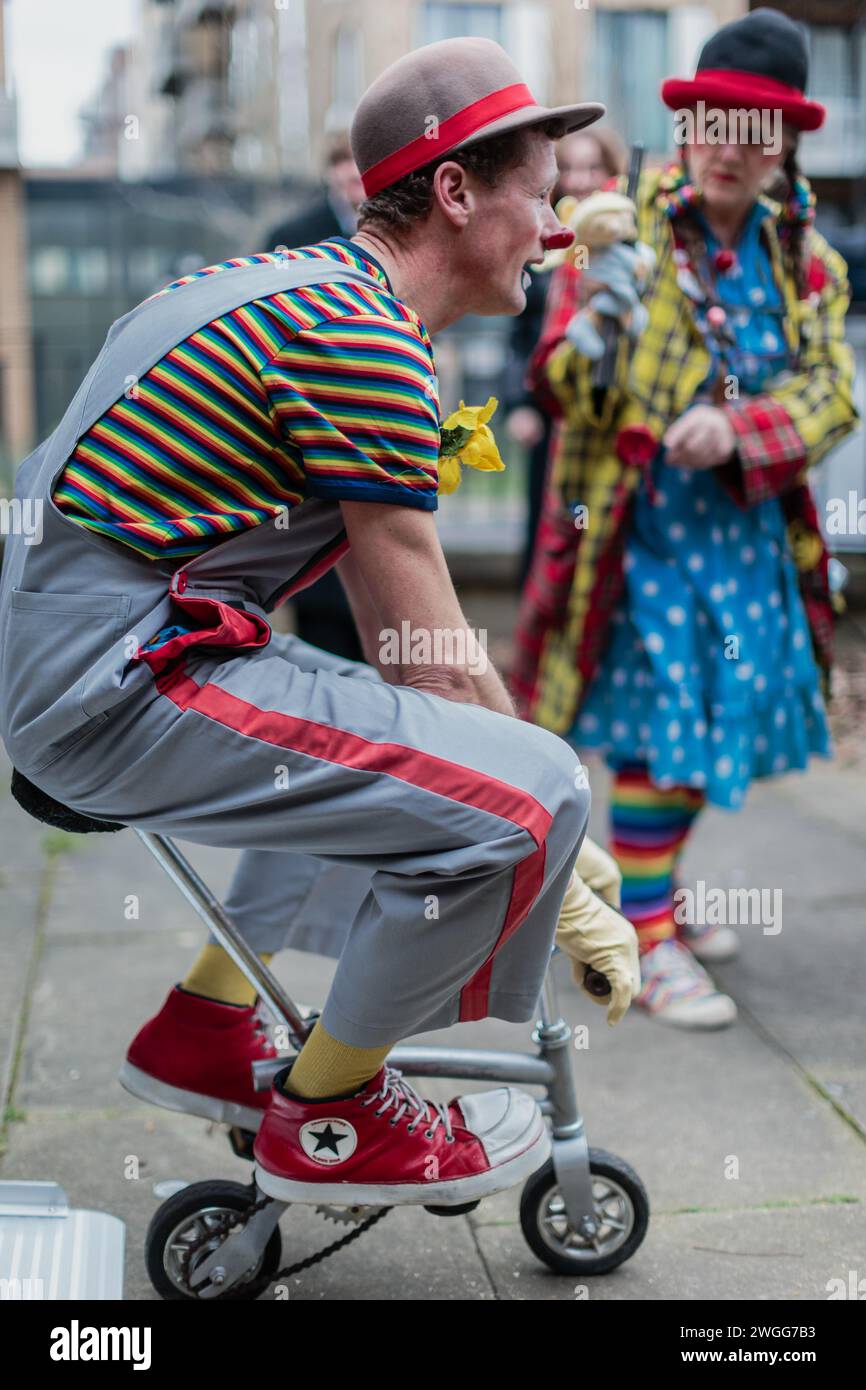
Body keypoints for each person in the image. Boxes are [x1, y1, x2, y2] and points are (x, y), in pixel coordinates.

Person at [0, 37, 638, 1207]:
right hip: (117, 676)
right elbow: (431, 657)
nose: (557, 233)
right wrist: (572, 848)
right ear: (453, 192)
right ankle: (332, 1109)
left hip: (87, 658)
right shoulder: (364, 338)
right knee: (521, 793)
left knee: (373, 752)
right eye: (539, 200)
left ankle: (205, 1019)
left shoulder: (291, 290)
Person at [510, 9, 858, 1031]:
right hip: (634, 528)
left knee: (722, 720)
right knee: (662, 733)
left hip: (748, 533)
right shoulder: (614, 228)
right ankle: (645, 940)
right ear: (688, 125)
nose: (729, 149)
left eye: (755, 132)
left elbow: (834, 391)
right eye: (713, 123)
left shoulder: (808, 264)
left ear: (784, 143)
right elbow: (564, 382)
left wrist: (742, 426)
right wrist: (599, 320)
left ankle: (651, 893)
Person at [504, 125, 627, 586]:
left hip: (608, 411)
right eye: (570, 168)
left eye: (592, 167)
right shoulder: (544, 239)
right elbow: (520, 335)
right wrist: (520, 404)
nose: (580, 179)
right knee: (548, 528)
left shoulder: (628, 243)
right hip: (551, 406)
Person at [265, 133, 368, 662]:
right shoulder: (292, 235)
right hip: (313, 415)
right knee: (319, 550)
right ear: (331, 173)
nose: (354, 179)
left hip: (370, 419)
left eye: (361, 168)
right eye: (344, 168)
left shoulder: (391, 234)